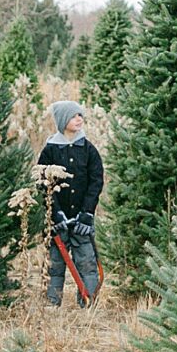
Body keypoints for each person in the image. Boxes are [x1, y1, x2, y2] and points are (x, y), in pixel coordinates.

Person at [36, 100, 103, 306]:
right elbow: (43, 182)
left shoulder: (88, 149)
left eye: (81, 115)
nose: (79, 119)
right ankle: (52, 304)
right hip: (58, 222)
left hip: (81, 219)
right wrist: (54, 213)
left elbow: (96, 181)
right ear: (63, 120)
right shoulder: (50, 150)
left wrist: (87, 213)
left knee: (87, 262)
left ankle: (88, 303)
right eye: (74, 116)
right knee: (55, 264)